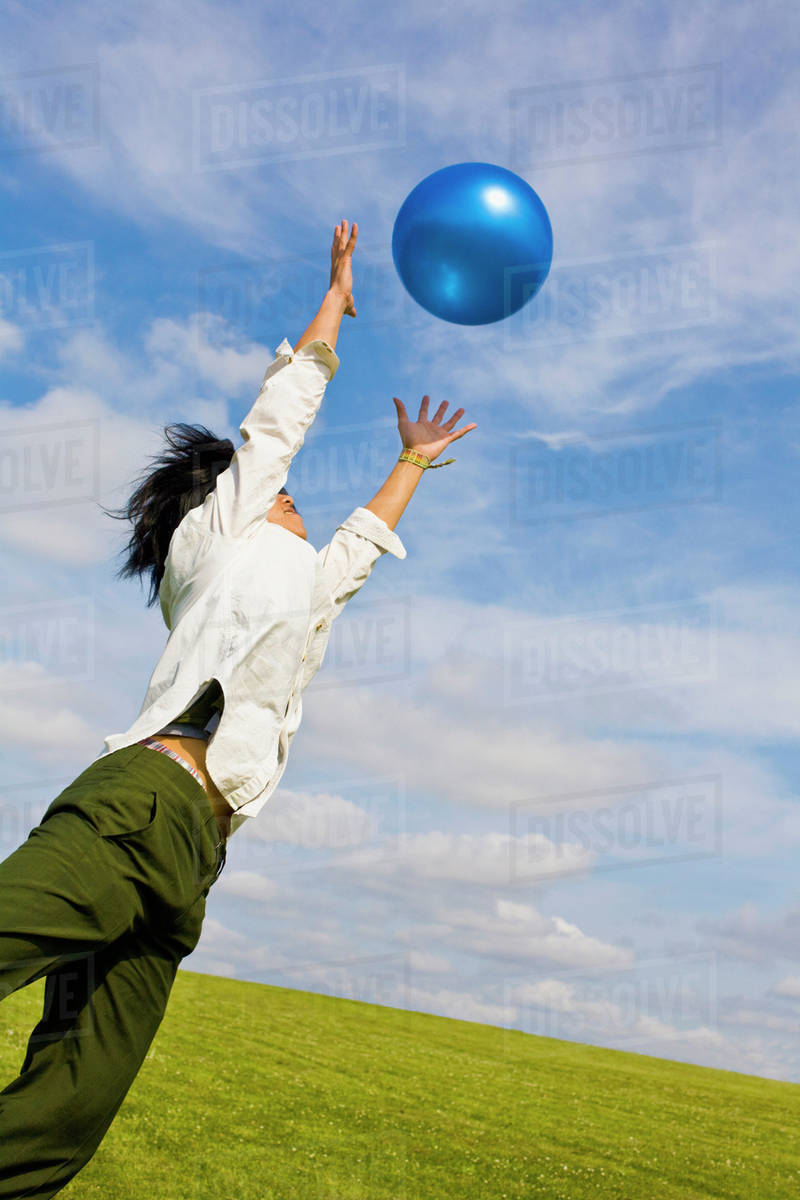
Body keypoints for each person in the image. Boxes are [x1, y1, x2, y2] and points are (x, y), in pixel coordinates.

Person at [0, 219, 477, 1197]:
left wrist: (413, 464)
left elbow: (348, 559)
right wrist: (335, 301)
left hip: (190, 861)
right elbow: (276, 421)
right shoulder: (209, 543)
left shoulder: (286, 576)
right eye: (281, 491)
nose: (293, 496)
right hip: (134, 806)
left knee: (67, 1115)